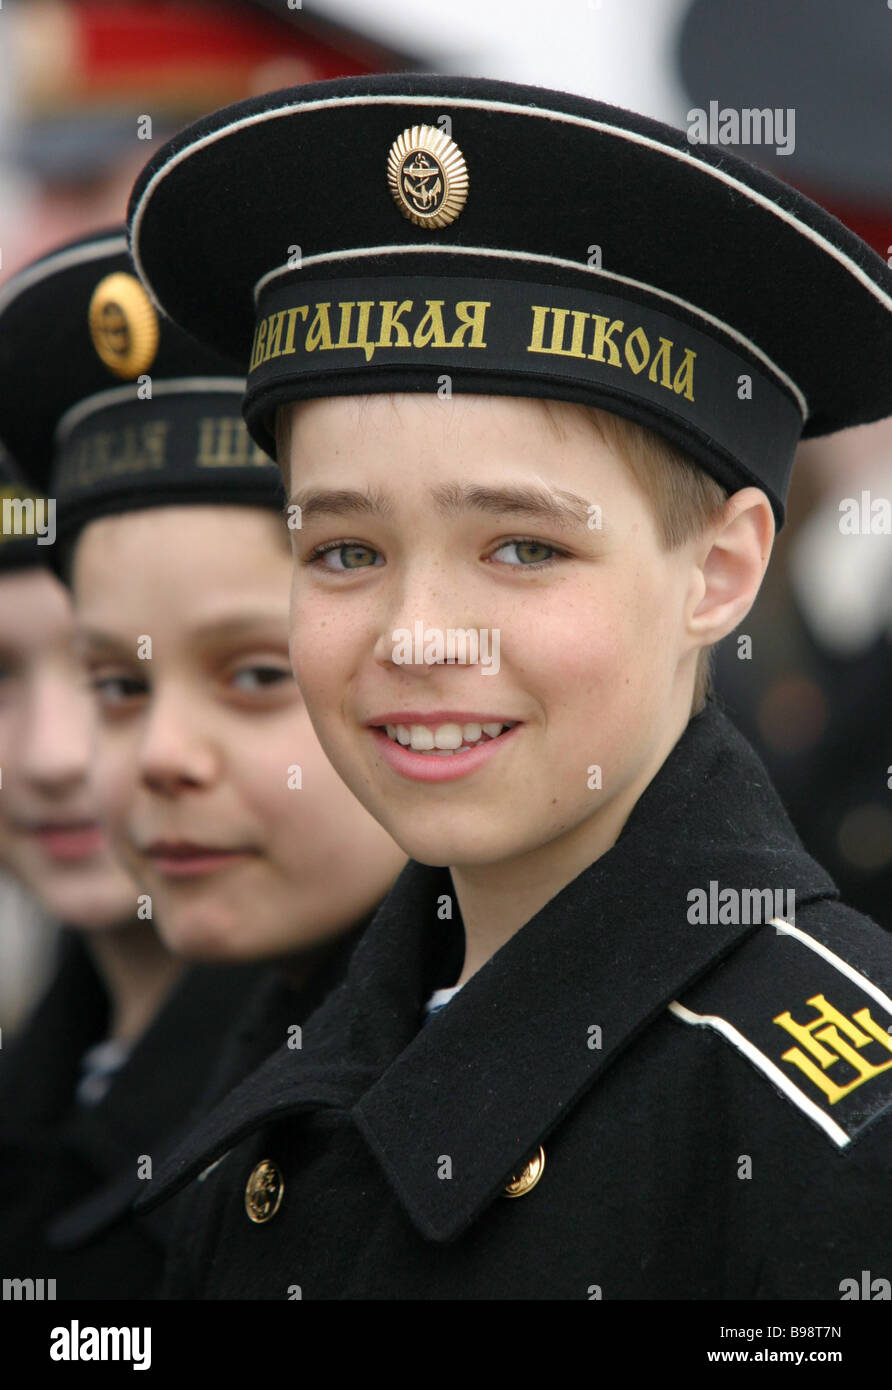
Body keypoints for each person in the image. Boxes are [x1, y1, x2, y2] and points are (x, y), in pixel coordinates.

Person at [127, 73, 892, 1299]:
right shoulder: (278, 1071)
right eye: (345, 552)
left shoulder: (830, 1149)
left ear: (721, 569)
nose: (418, 637)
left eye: (523, 548)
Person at [0, 229, 405, 1296]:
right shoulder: (53, 1072)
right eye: (120, 689)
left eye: (258, 675)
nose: (159, 758)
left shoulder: (427, 1128)